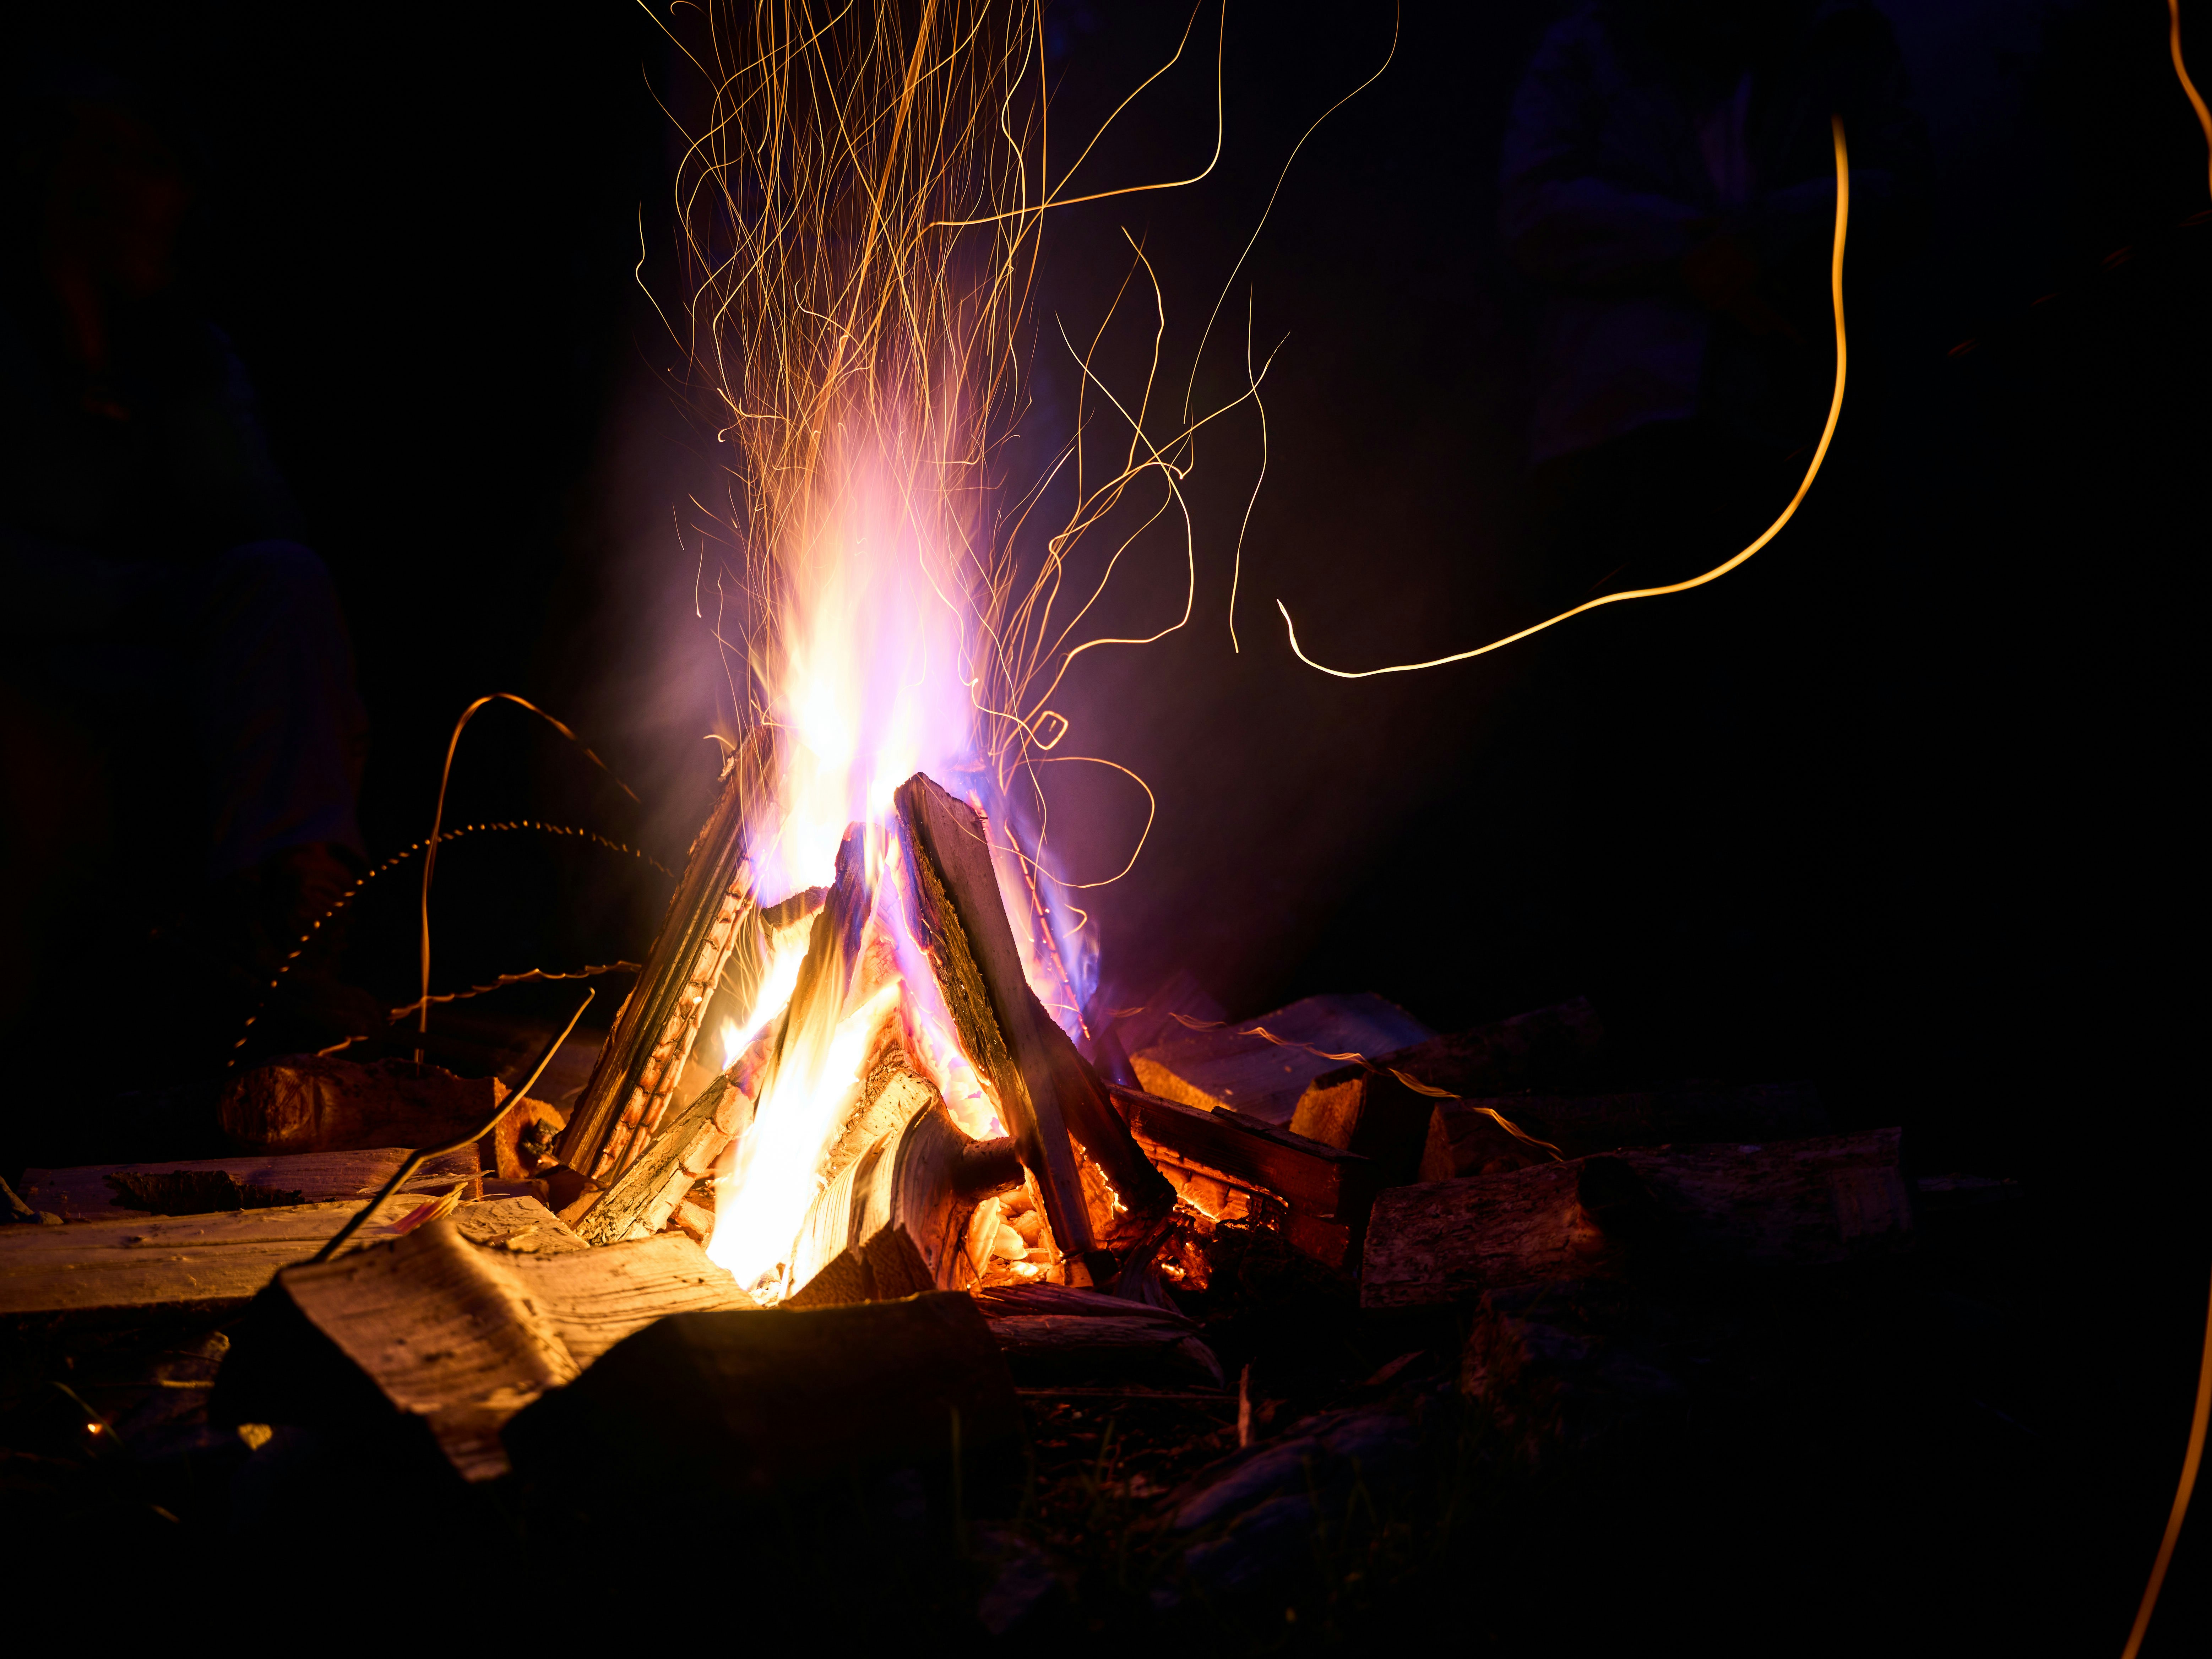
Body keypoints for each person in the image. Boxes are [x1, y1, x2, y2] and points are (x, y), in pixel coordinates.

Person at [1494, 0, 1928, 1071]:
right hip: (1622, 445)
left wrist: (1764, 237)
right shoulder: (1593, 40)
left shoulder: (1835, 39)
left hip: (1786, 433)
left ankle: (1814, 1047)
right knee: (1629, 750)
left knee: (1802, 745)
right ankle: (1620, 1037)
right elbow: (1533, 204)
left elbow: (1899, 187)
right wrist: (1690, 248)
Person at [0, 66, 374, 1073]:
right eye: (122, 163)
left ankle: (288, 924)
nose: (152, 198)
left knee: (284, 586)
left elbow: (260, 533)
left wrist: (169, 383)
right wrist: (152, 596)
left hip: (159, 657)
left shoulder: (183, 362)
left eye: (165, 172)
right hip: (39, 657)